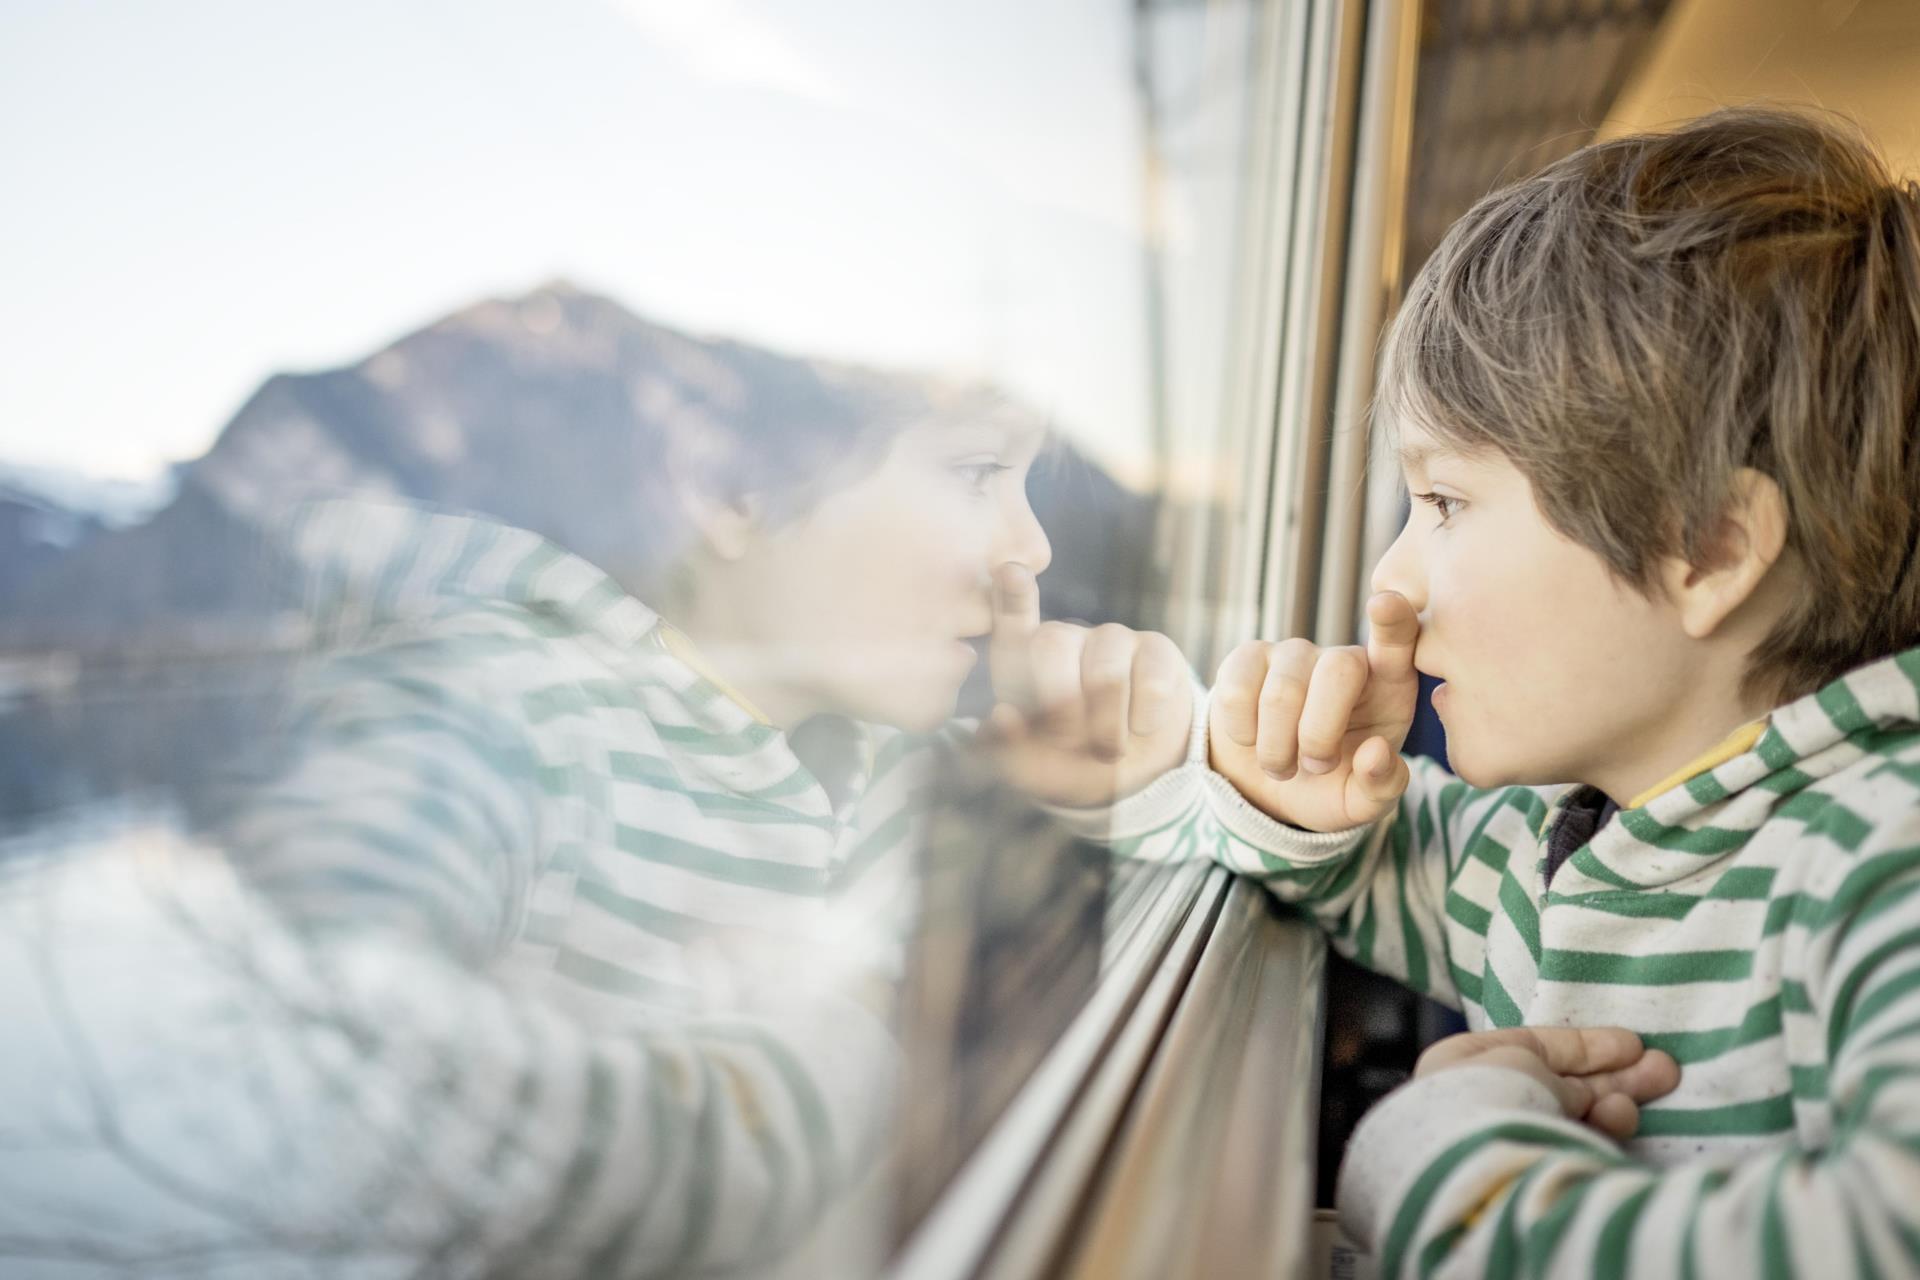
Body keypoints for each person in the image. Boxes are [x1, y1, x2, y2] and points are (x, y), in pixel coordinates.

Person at [43, 372, 1200, 1276]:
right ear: (737, 489)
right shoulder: (494, 717)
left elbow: (1181, 842)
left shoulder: (898, 761)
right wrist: (861, 1038)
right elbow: (313, 1081)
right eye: (977, 469)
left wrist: (1127, 769)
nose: (1030, 547)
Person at [1193, 106, 1920, 1276]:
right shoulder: (1576, 842)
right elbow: (1383, 851)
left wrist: (1455, 1171)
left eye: (1444, 504)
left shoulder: (1881, 859)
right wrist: (1288, 781)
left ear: (1708, 551)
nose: (1392, 576)